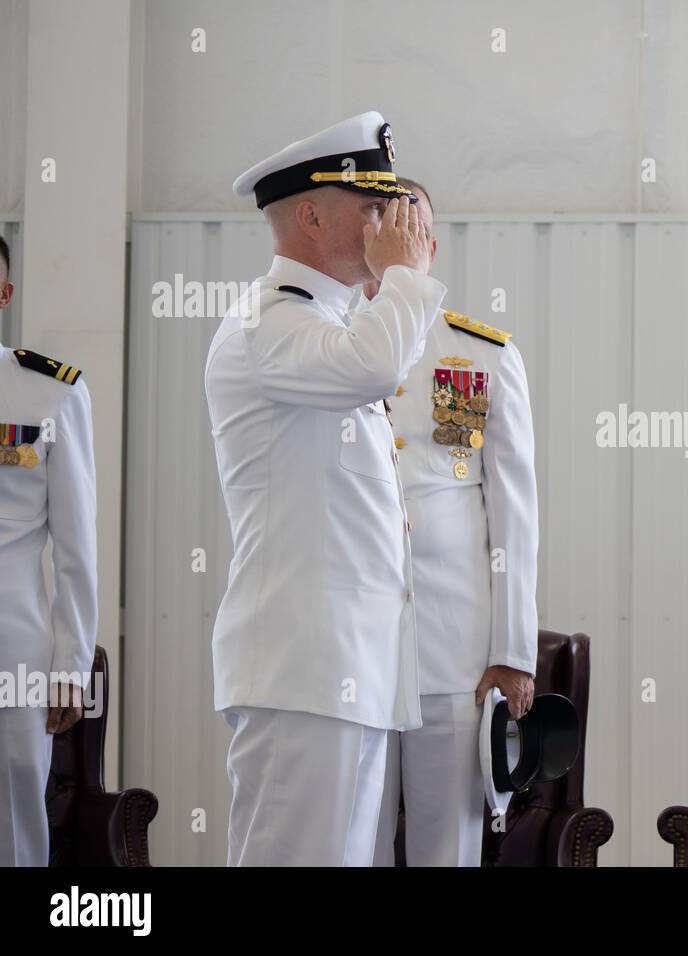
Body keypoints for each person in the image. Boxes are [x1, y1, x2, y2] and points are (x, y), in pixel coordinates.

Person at [205, 112, 444, 865]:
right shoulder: (269, 322)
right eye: (373, 208)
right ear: (309, 215)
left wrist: (393, 285)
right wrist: (405, 275)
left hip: (345, 673)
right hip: (303, 673)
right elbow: (372, 369)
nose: (390, 225)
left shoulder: (330, 322)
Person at [369, 178, 539, 867]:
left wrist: (514, 650)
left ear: (430, 247)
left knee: (447, 852)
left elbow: (515, 509)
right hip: (358, 652)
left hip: (454, 650)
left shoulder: (483, 355)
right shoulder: (332, 352)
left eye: (416, 227)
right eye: (389, 225)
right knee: (354, 848)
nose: (404, 240)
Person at [0, 235, 97, 866]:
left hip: (12, 645)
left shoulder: (47, 391)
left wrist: (70, 662)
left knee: (14, 816)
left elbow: (76, 544)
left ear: (3, 295)